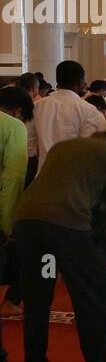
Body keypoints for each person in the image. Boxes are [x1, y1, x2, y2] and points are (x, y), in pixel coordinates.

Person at [12, 123, 106, 362]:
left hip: (28, 224)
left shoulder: (63, 147)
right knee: (92, 299)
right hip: (66, 228)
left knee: (37, 296)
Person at [31, 60, 106, 170]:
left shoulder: (38, 106)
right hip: (74, 178)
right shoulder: (89, 110)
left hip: (43, 175)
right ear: (81, 81)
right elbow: (93, 151)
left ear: (57, 80)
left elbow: (31, 146)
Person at [0, 87, 31, 320]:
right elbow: (13, 178)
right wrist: (8, 221)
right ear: (19, 110)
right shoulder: (13, 126)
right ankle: (10, 302)